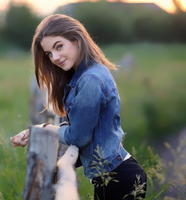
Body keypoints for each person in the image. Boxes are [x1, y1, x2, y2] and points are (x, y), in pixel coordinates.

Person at [11, 14, 147, 200]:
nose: (55, 57)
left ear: (76, 40)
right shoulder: (87, 73)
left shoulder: (90, 79)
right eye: (49, 53)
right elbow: (86, 132)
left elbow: (79, 137)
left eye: (59, 46)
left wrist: (45, 128)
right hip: (114, 174)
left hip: (118, 179)